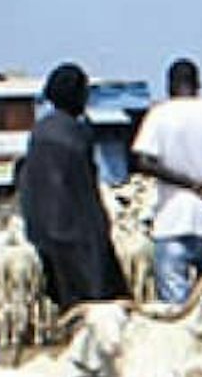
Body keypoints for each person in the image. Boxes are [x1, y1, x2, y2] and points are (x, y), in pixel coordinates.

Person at [131, 57, 202, 303]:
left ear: (169, 85)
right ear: (198, 84)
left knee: (176, 311)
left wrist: (188, 183)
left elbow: (143, 161)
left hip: (172, 221)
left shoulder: (159, 116)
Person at [18, 61, 130, 309]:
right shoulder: (75, 134)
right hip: (79, 234)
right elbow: (83, 189)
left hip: (45, 232)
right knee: (99, 303)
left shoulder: (40, 132)